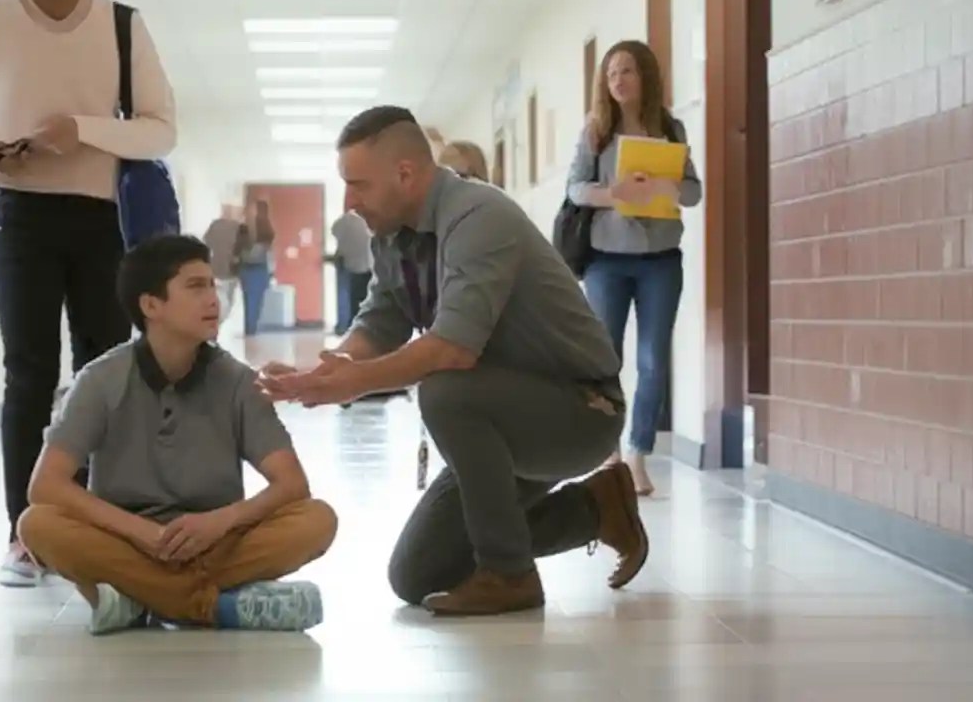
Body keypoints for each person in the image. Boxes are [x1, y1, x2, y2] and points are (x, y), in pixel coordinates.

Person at [259, 106, 649, 617]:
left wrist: (355, 384)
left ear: (405, 173)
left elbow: (452, 348)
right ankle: (598, 510)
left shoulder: (477, 216)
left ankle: (510, 575)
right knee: (416, 573)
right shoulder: (393, 232)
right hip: (504, 416)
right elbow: (383, 316)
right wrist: (331, 367)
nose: (349, 202)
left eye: (358, 185)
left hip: (579, 410)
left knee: (443, 387)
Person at [0, 0, 178, 586]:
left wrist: (83, 129)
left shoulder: (122, 24)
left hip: (103, 216)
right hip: (18, 213)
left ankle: (93, 525)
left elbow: (160, 130)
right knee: (28, 373)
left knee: (101, 371)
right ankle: (27, 532)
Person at [18, 236, 337, 634]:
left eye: (211, 284)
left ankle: (141, 598)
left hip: (216, 543)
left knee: (317, 520)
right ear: (151, 306)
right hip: (127, 543)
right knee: (37, 524)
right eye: (195, 286)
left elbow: (292, 485)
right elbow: (45, 486)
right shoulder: (100, 380)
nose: (213, 299)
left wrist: (221, 522)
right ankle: (211, 606)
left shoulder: (238, 381)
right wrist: (144, 533)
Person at [566, 40, 703, 496]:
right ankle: (609, 455)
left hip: (661, 261)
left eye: (626, 71)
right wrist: (615, 193)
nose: (618, 80)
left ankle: (638, 455)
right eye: (610, 74)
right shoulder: (596, 131)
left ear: (645, 75)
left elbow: (694, 193)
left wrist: (670, 183)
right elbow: (575, 189)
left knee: (652, 360)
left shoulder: (671, 127)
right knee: (606, 358)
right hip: (607, 259)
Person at [234, 198, 275, 336]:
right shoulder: (267, 227)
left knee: (248, 298)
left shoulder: (243, 228)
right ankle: (252, 327)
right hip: (259, 267)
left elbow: (237, 248)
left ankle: (249, 327)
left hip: (246, 267)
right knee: (257, 299)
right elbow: (270, 250)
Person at [330, 210, 372, 334]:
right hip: (368, 267)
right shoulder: (366, 220)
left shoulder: (342, 222)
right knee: (366, 299)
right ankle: (363, 327)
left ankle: (348, 326)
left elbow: (339, 246)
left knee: (351, 300)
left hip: (350, 267)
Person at [202, 203, 243, 328]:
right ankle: (216, 322)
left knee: (221, 298)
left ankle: (216, 322)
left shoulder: (217, 225)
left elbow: (206, 241)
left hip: (220, 267)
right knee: (226, 299)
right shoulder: (238, 227)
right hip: (229, 268)